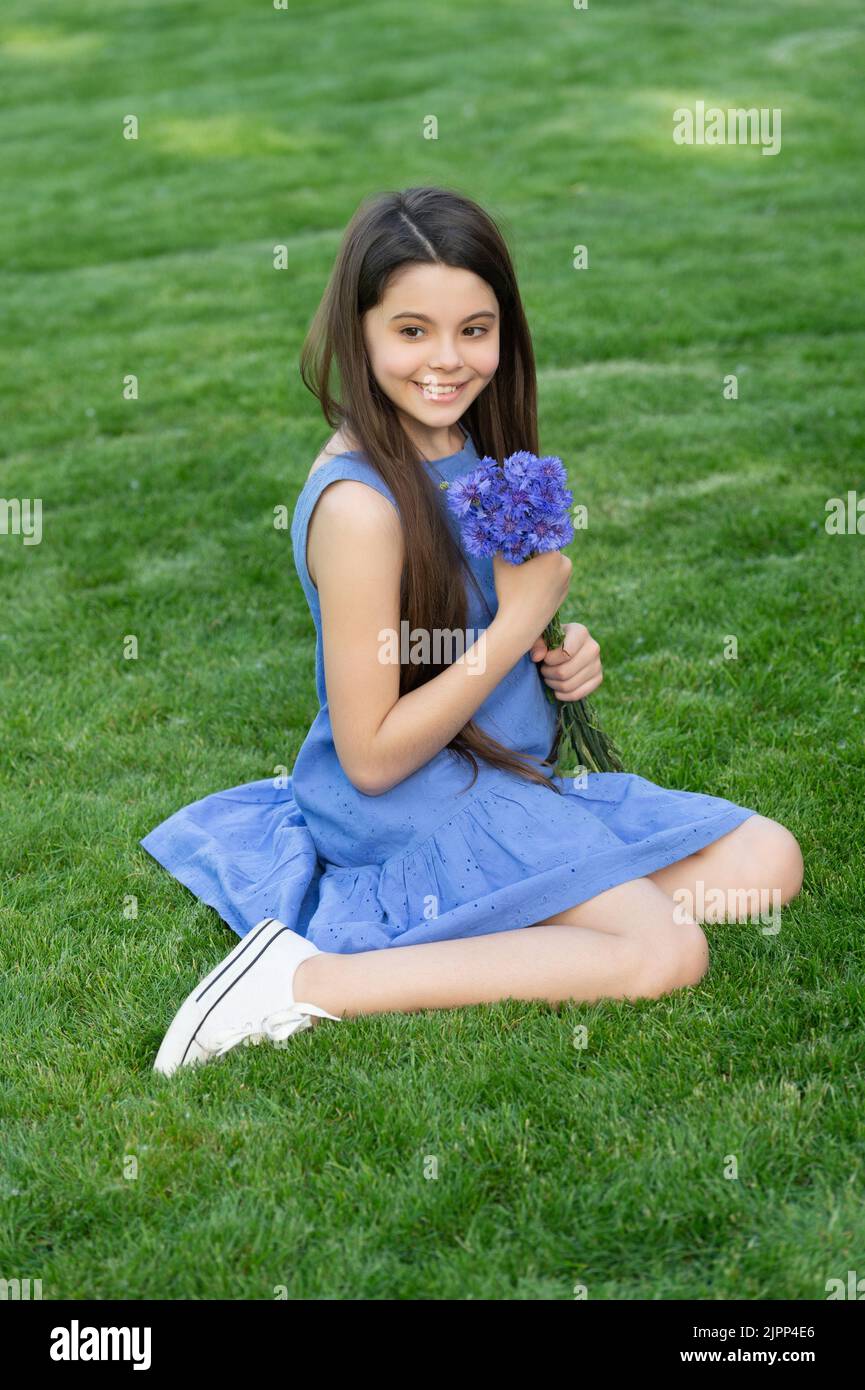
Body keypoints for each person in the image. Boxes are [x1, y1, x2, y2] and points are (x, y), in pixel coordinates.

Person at [144, 186, 804, 1076]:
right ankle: (301, 981)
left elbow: (472, 623)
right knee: (665, 953)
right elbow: (371, 758)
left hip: (504, 775)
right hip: (412, 802)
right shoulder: (358, 508)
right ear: (358, 332)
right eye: (411, 331)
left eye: (475, 329)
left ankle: (524, 921)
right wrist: (517, 621)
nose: (447, 360)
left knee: (763, 860)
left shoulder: (464, 444)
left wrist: (552, 652)